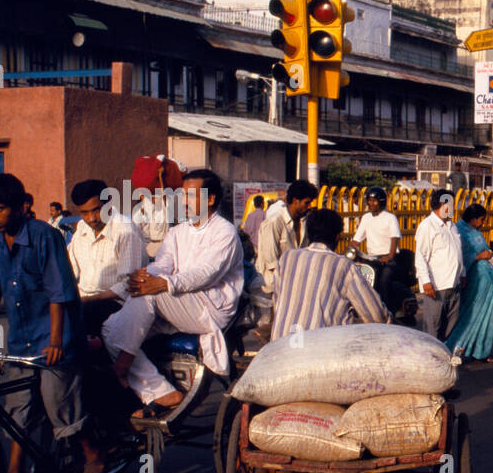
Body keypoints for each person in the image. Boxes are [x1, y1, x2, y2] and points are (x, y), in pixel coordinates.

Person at [0, 173, 104, 473]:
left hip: (57, 336)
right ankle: (14, 469)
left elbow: (59, 293)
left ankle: (92, 453)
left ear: (19, 207)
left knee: (58, 402)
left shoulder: (43, 236)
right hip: (21, 339)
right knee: (17, 404)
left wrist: (55, 342)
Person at [102, 169, 244, 417]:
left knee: (149, 294)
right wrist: (146, 275)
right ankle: (159, 392)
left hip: (209, 309)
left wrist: (163, 284)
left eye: (191, 195)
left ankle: (122, 367)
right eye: (183, 195)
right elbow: (163, 264)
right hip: (177, 304)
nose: (185, 201)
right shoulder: (178, 231)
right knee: (110, 328)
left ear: (210, 200)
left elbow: (206, 273)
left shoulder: (225, 232)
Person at [270, 208, 388, 342]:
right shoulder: (343, 265)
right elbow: (375, 315)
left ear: (308, 233)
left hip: (280, 346)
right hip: (320, 352)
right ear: (337, 236)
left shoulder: (287, 258)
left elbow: (277, 301)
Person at [67, 179, 148, 337]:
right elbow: (70, 270)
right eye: (84, 213)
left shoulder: (125, 229)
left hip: (117, 304)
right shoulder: (82, 229)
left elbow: (128, 284)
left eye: (96, 210)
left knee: (79, 318)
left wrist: (88, 300)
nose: (91, 218)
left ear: (109, 203)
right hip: (84, 300)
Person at [445, 203, 493, 360]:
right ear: (474, 219)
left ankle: (478, 349)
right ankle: (456, 347)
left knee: (484, 317)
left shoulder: (474, 231)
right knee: (471, 315)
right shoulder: (460, 231)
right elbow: (459, 256)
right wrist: (479, 256)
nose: (483, 223)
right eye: (481, 220)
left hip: (485, 280)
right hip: (474, 280)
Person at [414, 192, 464, 341]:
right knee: (433, 326)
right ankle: (431, 360)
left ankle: (445, 357)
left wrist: (463, 273)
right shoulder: (427, 226)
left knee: (451, 325)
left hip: (453, 284)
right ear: (442, 205)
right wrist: (425, 281)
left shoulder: (452, 225)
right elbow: (421, 256)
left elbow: (458, 251)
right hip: (436, 285)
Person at [256, 180, 317, 297]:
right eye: (306, 203)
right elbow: (271, 261)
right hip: (273, 288)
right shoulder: (274, 222)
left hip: (294, 286)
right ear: (295, 201)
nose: (309, 207)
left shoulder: (303, 222)